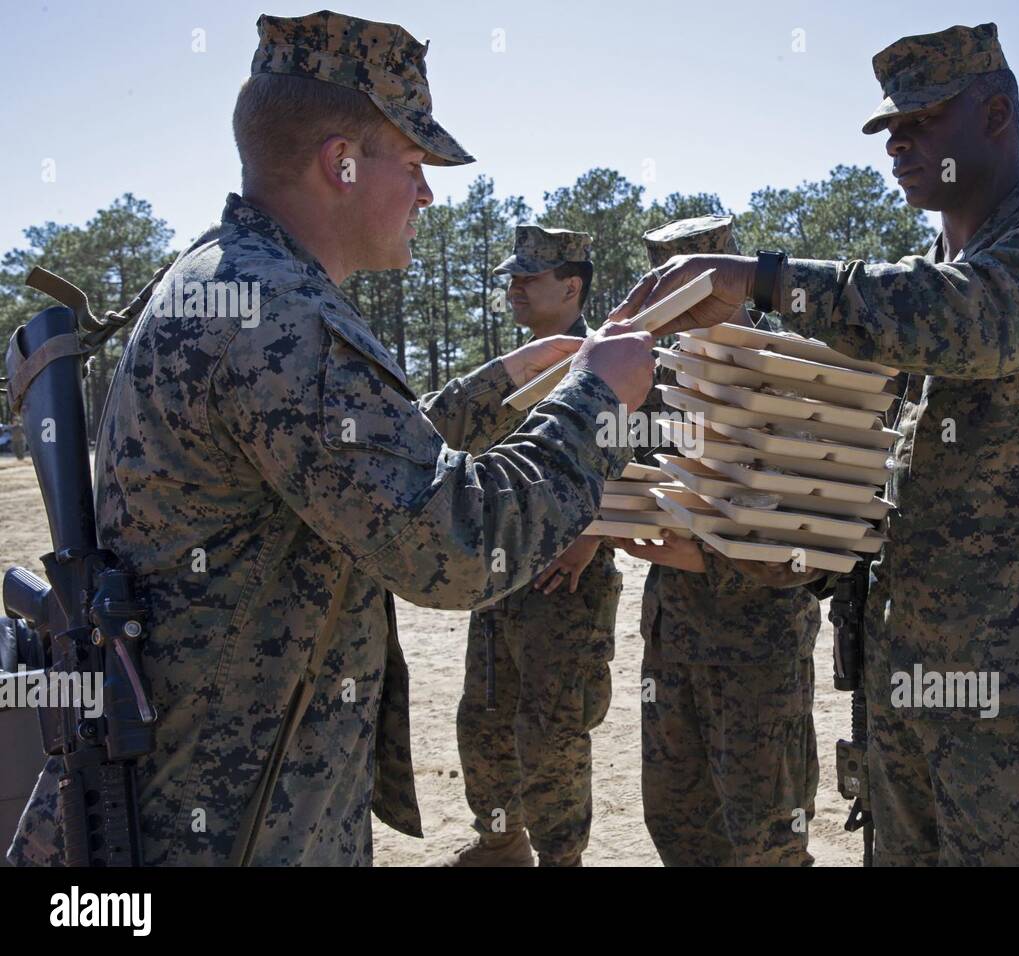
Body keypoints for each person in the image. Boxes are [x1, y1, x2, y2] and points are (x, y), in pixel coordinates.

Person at [7, 10, 652, 867]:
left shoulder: (232, 280)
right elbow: (452, 545)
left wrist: (505, 379)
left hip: (205, 803)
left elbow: (360, 464)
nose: (427, 193)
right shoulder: (283, 315)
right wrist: (599, 400)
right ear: (338, 162)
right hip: (233, 828)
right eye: (415, 163)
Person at [615, 22, 1019, 866]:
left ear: (997, 115)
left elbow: (980, 321)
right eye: (888, 130)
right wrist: (783, 550)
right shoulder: (905, 286)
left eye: (920, 121)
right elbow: (868, 478)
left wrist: (758, 277)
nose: (897, 143)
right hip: (902, 686)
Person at [622, 216, 822, 866]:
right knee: (680, 829)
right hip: (673, 639)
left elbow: (813, 521)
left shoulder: (788, 371)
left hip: (757, 649)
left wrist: (705, 551)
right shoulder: (658, 378)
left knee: (766, 840)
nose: (675, 310)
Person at [443, 226, 622, 868]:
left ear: (571, 286)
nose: (513, 287)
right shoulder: (516, 366)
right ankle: (501, 842)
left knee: (554, 729)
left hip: (564, 587)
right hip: (499, 579)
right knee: (485, 718)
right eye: (511, 277)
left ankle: (561, 857)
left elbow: (655, 463)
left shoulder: (615, 366)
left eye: (528, 278)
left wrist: (592, 535)